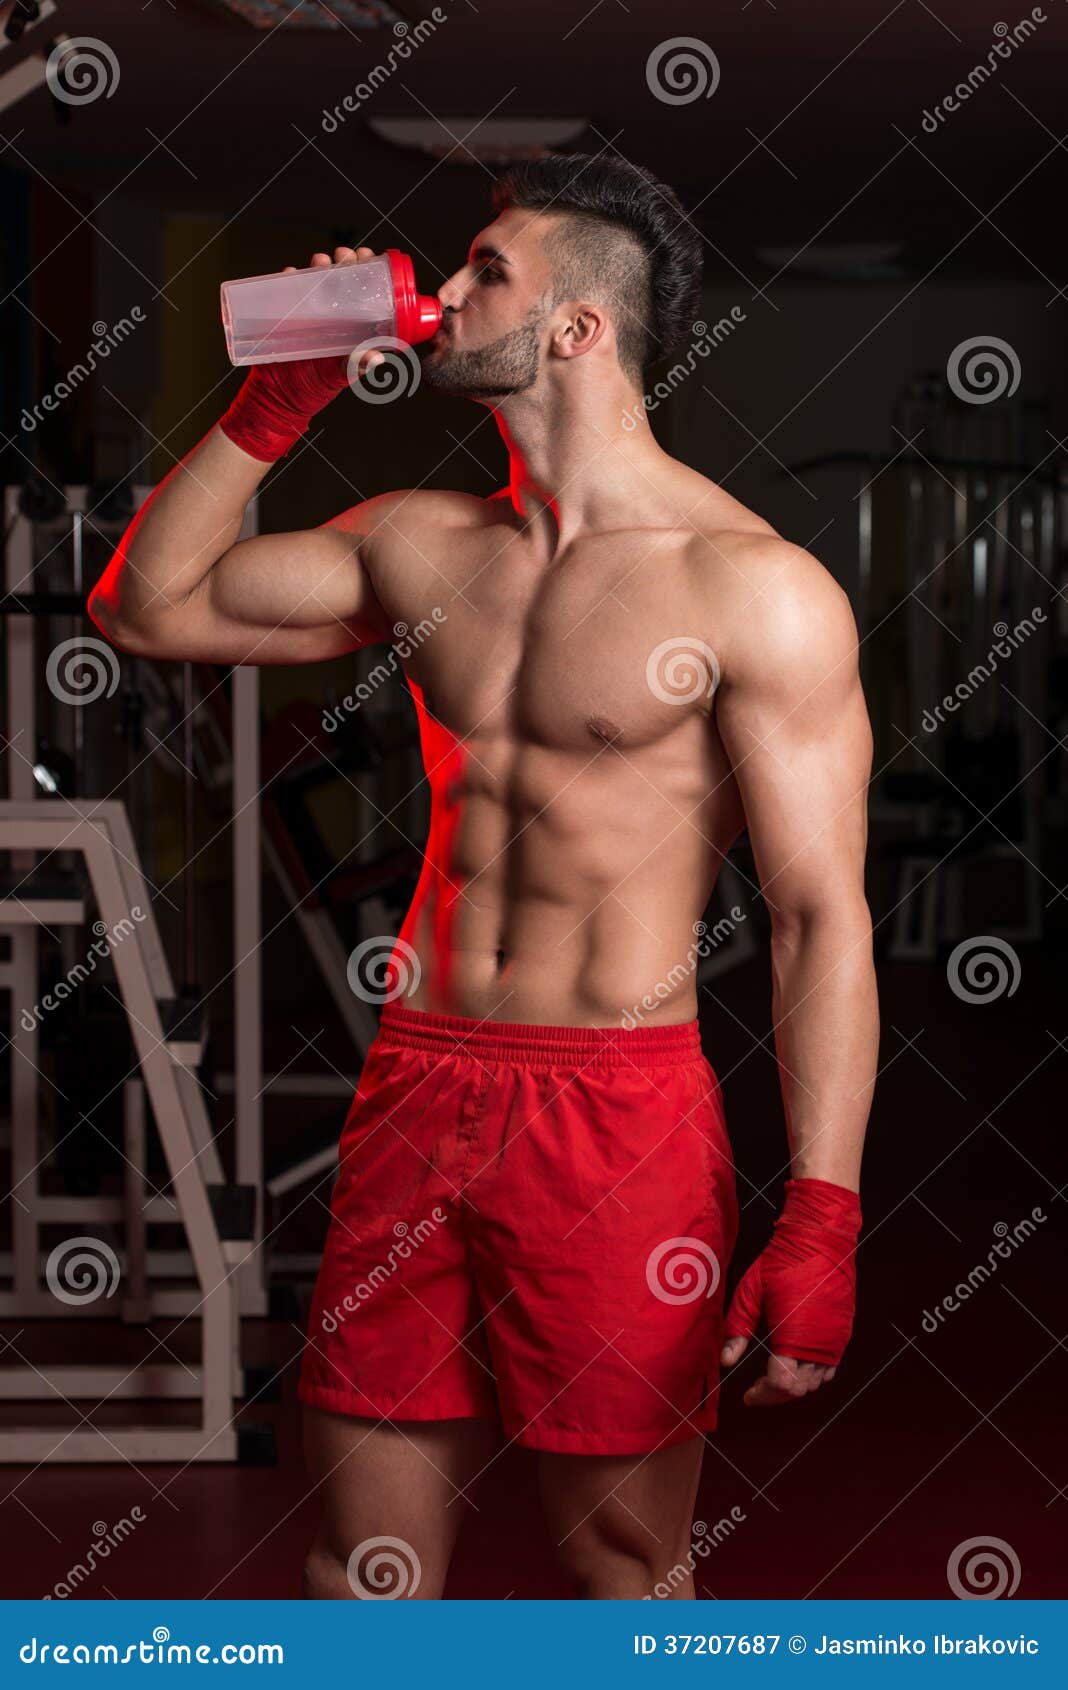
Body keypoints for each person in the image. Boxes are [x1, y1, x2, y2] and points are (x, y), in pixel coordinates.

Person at [89, 153, 878, 1602]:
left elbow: (819, 914)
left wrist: (822, 1210)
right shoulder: (421, 542)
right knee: (361, 1562)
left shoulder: (751, 588)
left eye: (486, 272)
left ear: (579, 327)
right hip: (418, 1084)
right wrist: (271, 409)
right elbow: (145, 610)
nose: (441, 295)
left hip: (616, 1111)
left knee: (626, 1566)